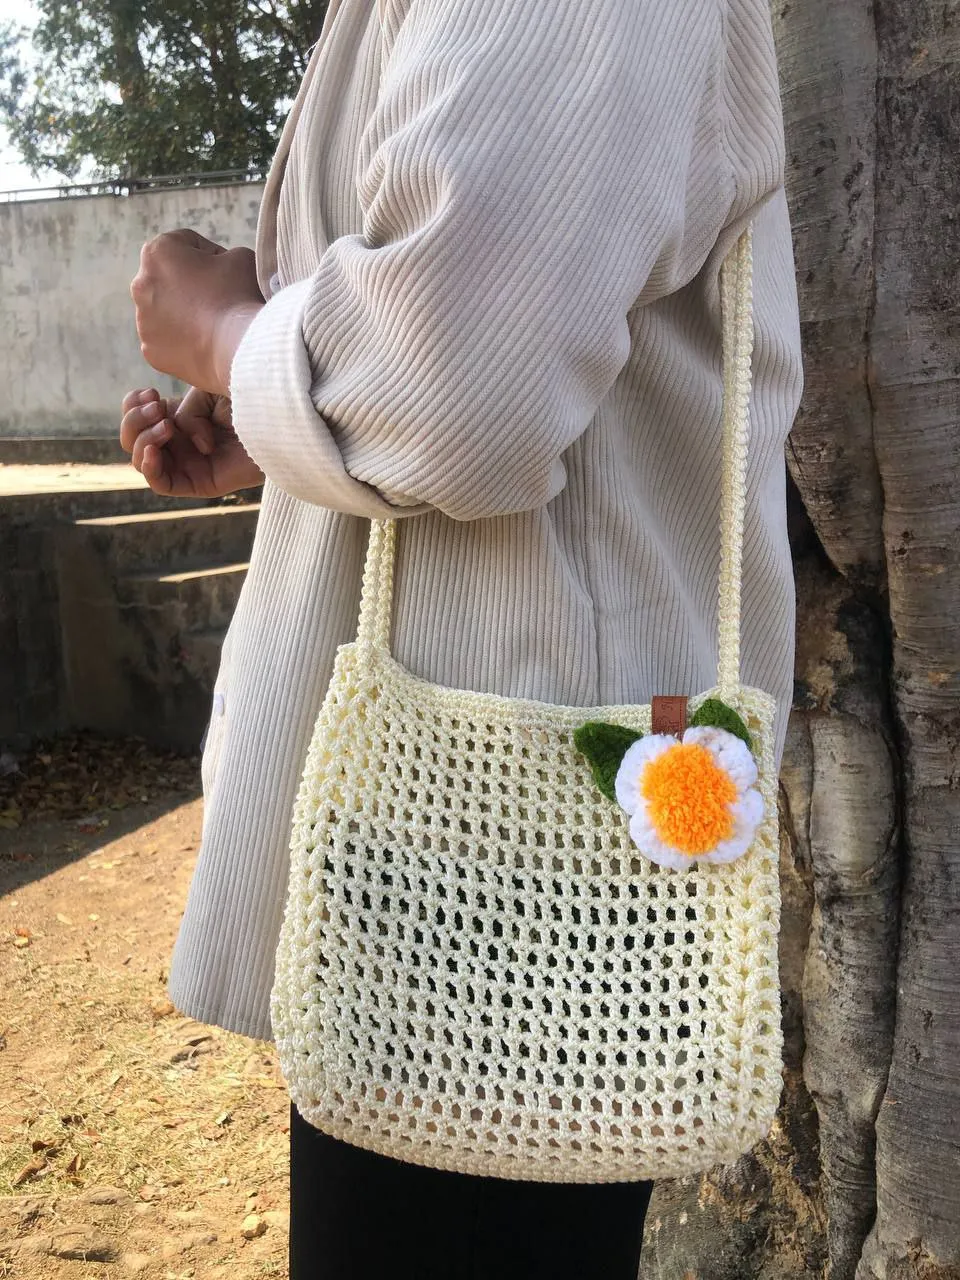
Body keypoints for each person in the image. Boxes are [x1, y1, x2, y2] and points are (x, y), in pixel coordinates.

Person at [121, 0, 803, 1275]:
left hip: (497, 832)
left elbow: (452, 393)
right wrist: (283, 413)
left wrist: (224, 332)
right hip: (478, 798)